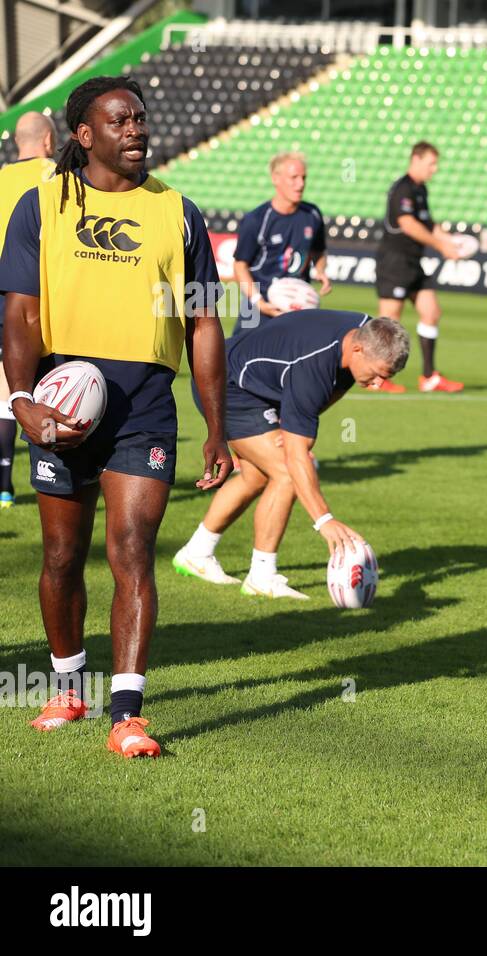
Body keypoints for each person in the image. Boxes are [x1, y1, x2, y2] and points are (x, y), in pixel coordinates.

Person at [0, 76, 230, 758]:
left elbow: (206, 320)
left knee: (133, 552)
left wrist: (216, 424)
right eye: (120, 119)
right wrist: (23, 400)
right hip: (60, 400)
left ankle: (127, 713)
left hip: (146, 404)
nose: (136, 128)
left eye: (141, 118)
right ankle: (70, 687)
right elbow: (15, 313)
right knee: (63, 557)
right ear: (83, 133)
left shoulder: (179, 213)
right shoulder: (41, 208)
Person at [173, 312, 407, 598]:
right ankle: (262, 576)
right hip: (225, 385)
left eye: (387, 377)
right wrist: (324, 520)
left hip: (254, 380)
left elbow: (337, 383)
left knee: (255, 476)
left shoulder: (367, 332)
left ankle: (196, 553)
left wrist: (293, 421)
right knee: (285, 473)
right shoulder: (313, 364)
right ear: (357, 349)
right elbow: (297, 457)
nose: (379, 384)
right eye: (378, 373)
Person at [0, 112, 57, 509]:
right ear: (49, 141)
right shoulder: (56, 175)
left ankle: (4, 483)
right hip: (36, 295)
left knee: (3, 389)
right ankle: (55, 480)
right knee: (48, 387)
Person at [375, 141, 463, 394]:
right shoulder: (402, 189)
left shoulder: (420, 190)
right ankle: (377, 376)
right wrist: (439, 245)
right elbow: (409, 225)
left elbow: (428, 223)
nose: (434, 169)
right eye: (431, 163)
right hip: (395, 262)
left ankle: (428, 376)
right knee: (388, 323)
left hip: (414, 262)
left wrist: (450, 243)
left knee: (431, 312)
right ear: (416, 159)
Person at [232, 151, 330, 330]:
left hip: (297, 305)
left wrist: (320, 270)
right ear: (275, 178)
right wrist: (258, 302)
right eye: (294, 177)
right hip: (257, 305)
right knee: (239, 356)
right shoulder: (256, 220)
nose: (300, 184)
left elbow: (319, 251)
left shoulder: (313, 214)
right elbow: (240, 265)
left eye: (303, 178)